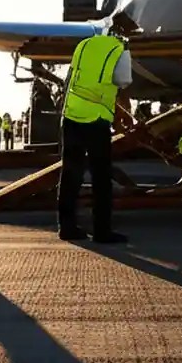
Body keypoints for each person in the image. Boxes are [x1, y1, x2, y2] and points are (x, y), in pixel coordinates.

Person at [56, 27, 134, 243]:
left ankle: (66, 227)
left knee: (71, 174)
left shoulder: (83, 45)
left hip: (71, 115)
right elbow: (123, 82)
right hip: (96, 118)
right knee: (101, 177)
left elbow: (70, 77)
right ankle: (102, 231)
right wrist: (125, 115)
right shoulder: (120, 49)